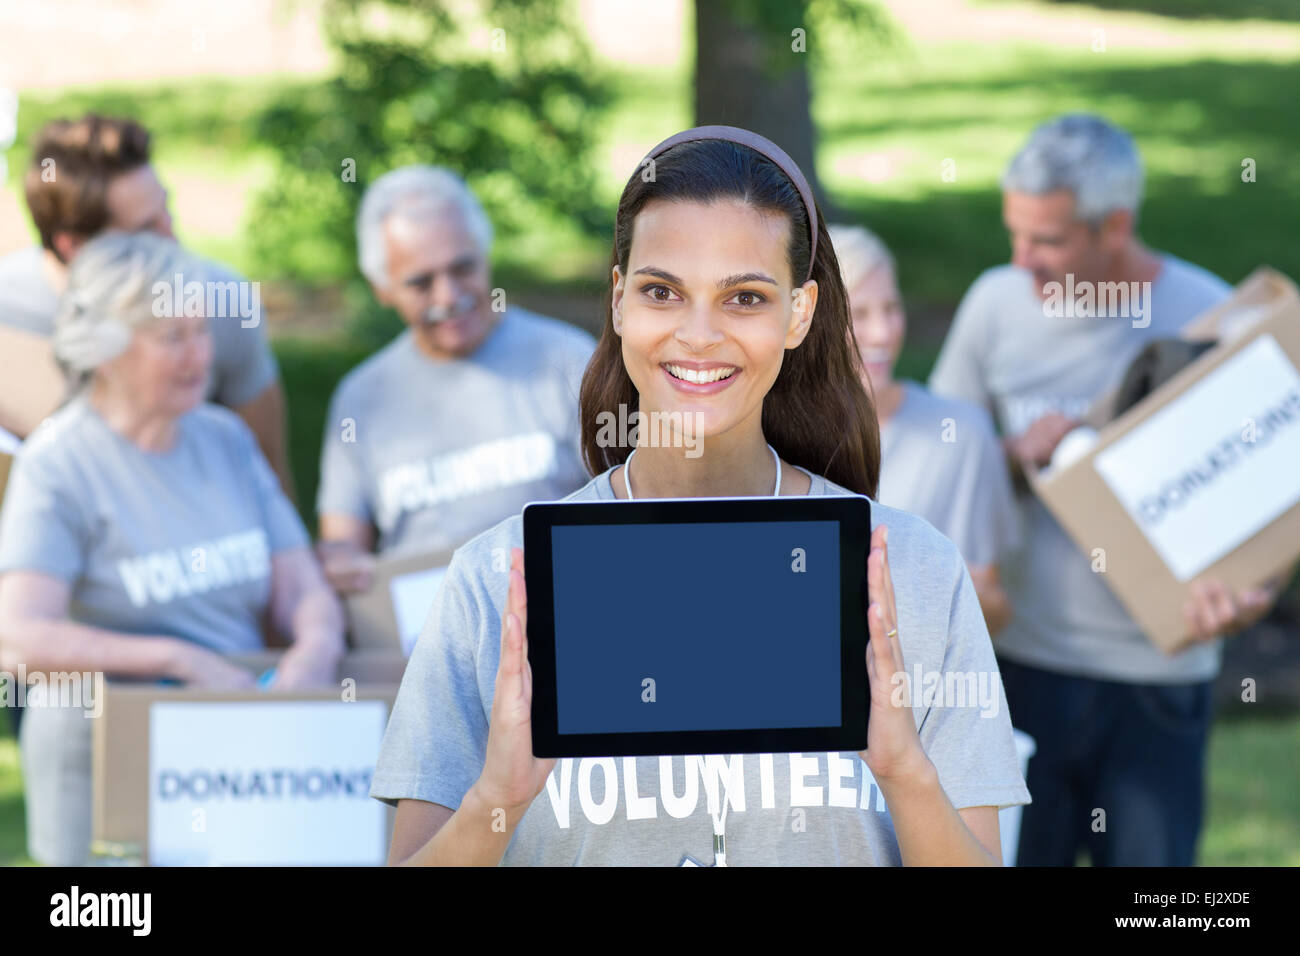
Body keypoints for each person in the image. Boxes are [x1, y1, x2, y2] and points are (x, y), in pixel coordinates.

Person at [369, 126, 1030, 866]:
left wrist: (906, 776)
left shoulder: (910, 571)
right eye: (662, 292)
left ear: (799, 315)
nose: (699, 334)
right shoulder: (499, 581)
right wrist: (497, 802)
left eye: (745, 297)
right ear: (619, 301)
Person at [928, 113, 1290, 866]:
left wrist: (1254, 591)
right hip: (1022, 667)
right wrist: (1008, 454)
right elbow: (942, 461)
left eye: (1047, 241)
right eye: (1014, 234)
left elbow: (1272, 501)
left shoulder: (1210, 318)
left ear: (1115, 224)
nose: (1020, 260)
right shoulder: (996, 304)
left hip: (1156, 680)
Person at [0, 231, 344, 866]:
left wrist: (316, 647)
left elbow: (300, 584)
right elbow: (16, 640)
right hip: (129, 756)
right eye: (172, 337)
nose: (199, 356)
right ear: (105, 350)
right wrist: (178, 658)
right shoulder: (59, 466)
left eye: (201, 331)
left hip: (254, 745)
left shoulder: (224, 439)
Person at [315, 166, 594, 593]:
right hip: (420, 645)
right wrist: (338, 566)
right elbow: (341, 545)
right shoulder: (361, 398)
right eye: (420, 283)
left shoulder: (569, 361)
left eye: (463, 268)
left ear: (486, 255)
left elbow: (626, 509)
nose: (448, 296)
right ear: (381, 288)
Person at [0, 113, 295, 496]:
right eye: (145, 230)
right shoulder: (9, 310)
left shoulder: (221, 302)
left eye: (166, 211)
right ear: (73, 246)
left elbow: (269, 472)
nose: (172, 238)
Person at [831, 224, 1018, 635]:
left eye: (891, 308)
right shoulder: (771, 437)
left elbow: (996, 611)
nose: (883, 332)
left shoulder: (961, 435)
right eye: (858, 314)